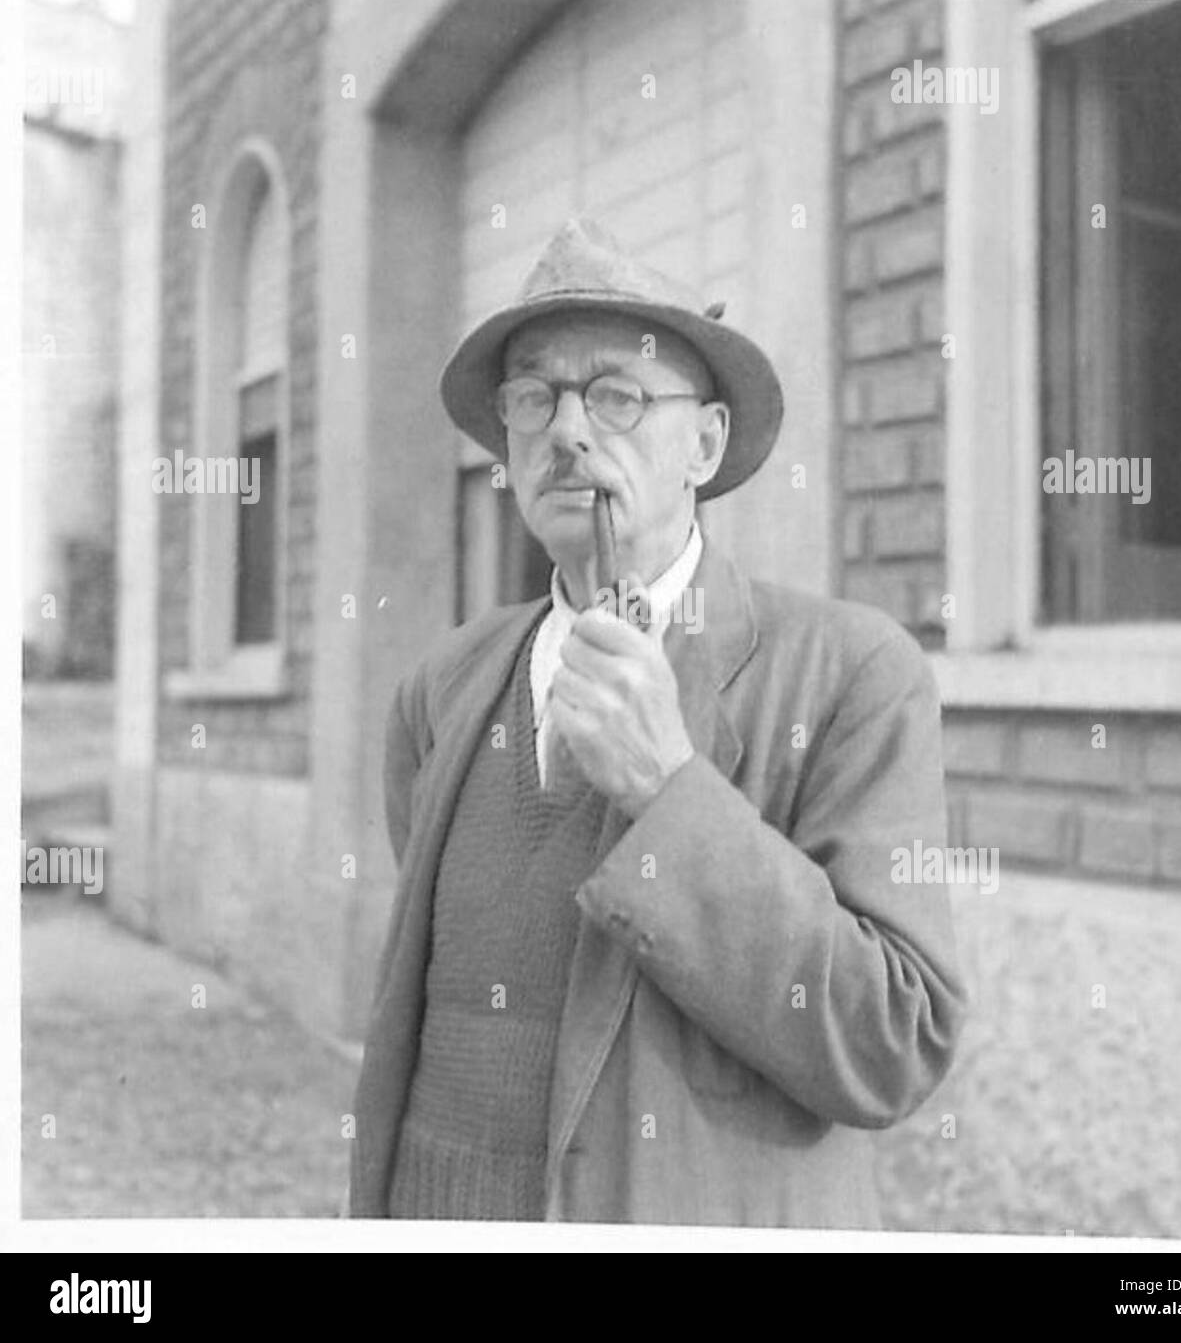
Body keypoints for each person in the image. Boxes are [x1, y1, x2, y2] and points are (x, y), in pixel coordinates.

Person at [348, 217, 967, 1226]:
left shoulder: (850, 674)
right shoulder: (441, 687)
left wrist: (666, 790)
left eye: (618, 395)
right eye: (533, 396)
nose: (567, 431)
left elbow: (892, 1040)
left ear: (705, 443)